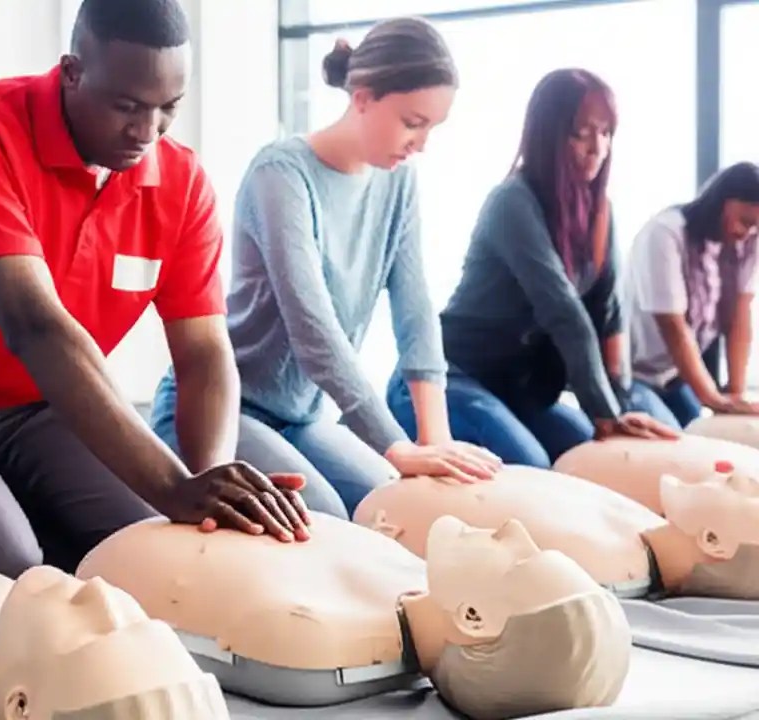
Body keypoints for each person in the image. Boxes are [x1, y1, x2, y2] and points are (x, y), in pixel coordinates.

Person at [0, 0, 309, 582]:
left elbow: (202, 353)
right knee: (2, 562)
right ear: (72, 72)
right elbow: (33, 324)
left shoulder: (181, 182)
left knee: (148, 545)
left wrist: (210, 483)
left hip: (38, 404)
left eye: (167, 108)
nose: (146, 132)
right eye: (126, 106)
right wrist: (174, 485)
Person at [149, 17, 501, 521]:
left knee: (397, 509)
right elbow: (312, 327)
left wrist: (435, 439)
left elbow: (415, 308)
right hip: (225, 410)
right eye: (412, 122)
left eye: (431, 128)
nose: (421, 143)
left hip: (304, 417)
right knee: (326, 513)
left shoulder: (397, 183)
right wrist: (395, 447)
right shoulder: (281, 174)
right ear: (362, 97)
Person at [388, 68, 679, 468]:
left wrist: (620, 405)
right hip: (448, 381)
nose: (598, 147)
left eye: (607, 132)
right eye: (582, 132)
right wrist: (605, 414)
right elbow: (564, 311)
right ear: (550, 134)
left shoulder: (600, 213)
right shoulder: (511, 202)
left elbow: (608, 315)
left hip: (517, 393)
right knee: (537, 464)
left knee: (593, 456)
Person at [624, 161, 759, 426]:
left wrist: (735, 395)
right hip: (632, 373)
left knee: (705, 432)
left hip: (674, 376)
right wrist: (714, 399)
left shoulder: (749, 240)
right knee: (677, 439)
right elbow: (674, 328)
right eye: (745, 221)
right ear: (722, 201)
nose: (748, 232)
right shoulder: (665, 233)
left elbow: (739, 318)